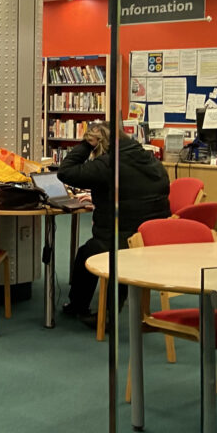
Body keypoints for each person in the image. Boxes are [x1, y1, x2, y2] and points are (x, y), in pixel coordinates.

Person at [57, 122, 170, 323]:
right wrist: (102, 198)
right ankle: (104, 309)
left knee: (87, 253)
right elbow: (136, 190)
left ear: (100, 144)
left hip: (118, 237)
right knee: (100, 250)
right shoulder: (148, 158)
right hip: (152, 237)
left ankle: (86, 309)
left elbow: (65, 172)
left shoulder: (108, 163)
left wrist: (85, 145)